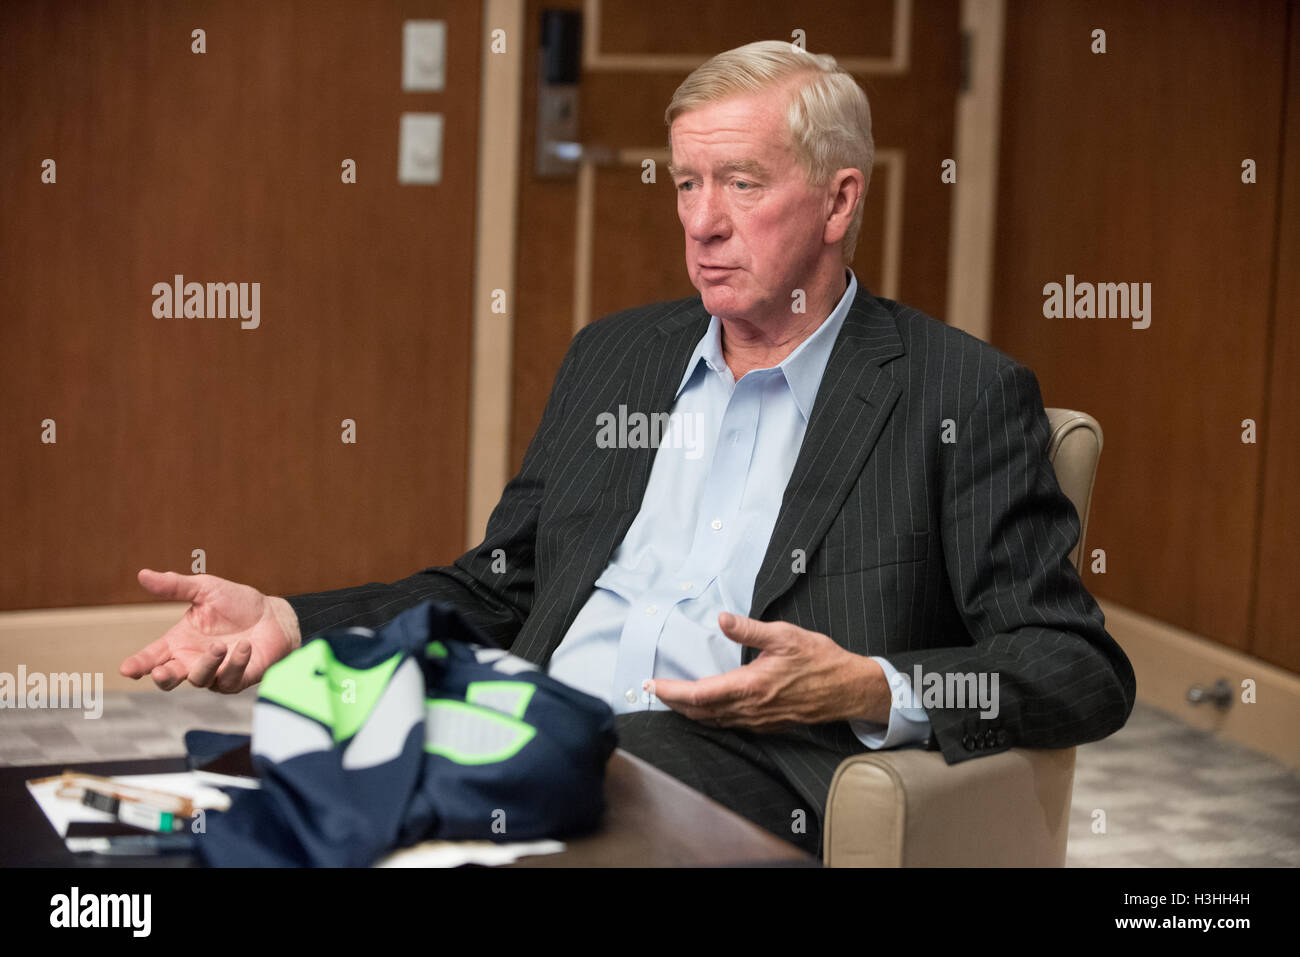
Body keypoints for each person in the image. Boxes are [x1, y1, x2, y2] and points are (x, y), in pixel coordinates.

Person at [121, 41, 1136, 858]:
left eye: (742, 184)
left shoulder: (957, 393)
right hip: (529, 719)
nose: (702, 222)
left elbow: (1075, 668)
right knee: (237, 806)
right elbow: (498, 587)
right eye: (686, 183)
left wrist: (867, 684)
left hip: (731, 764)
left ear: (839, 202)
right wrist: (291, 618)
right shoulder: (615, 357)